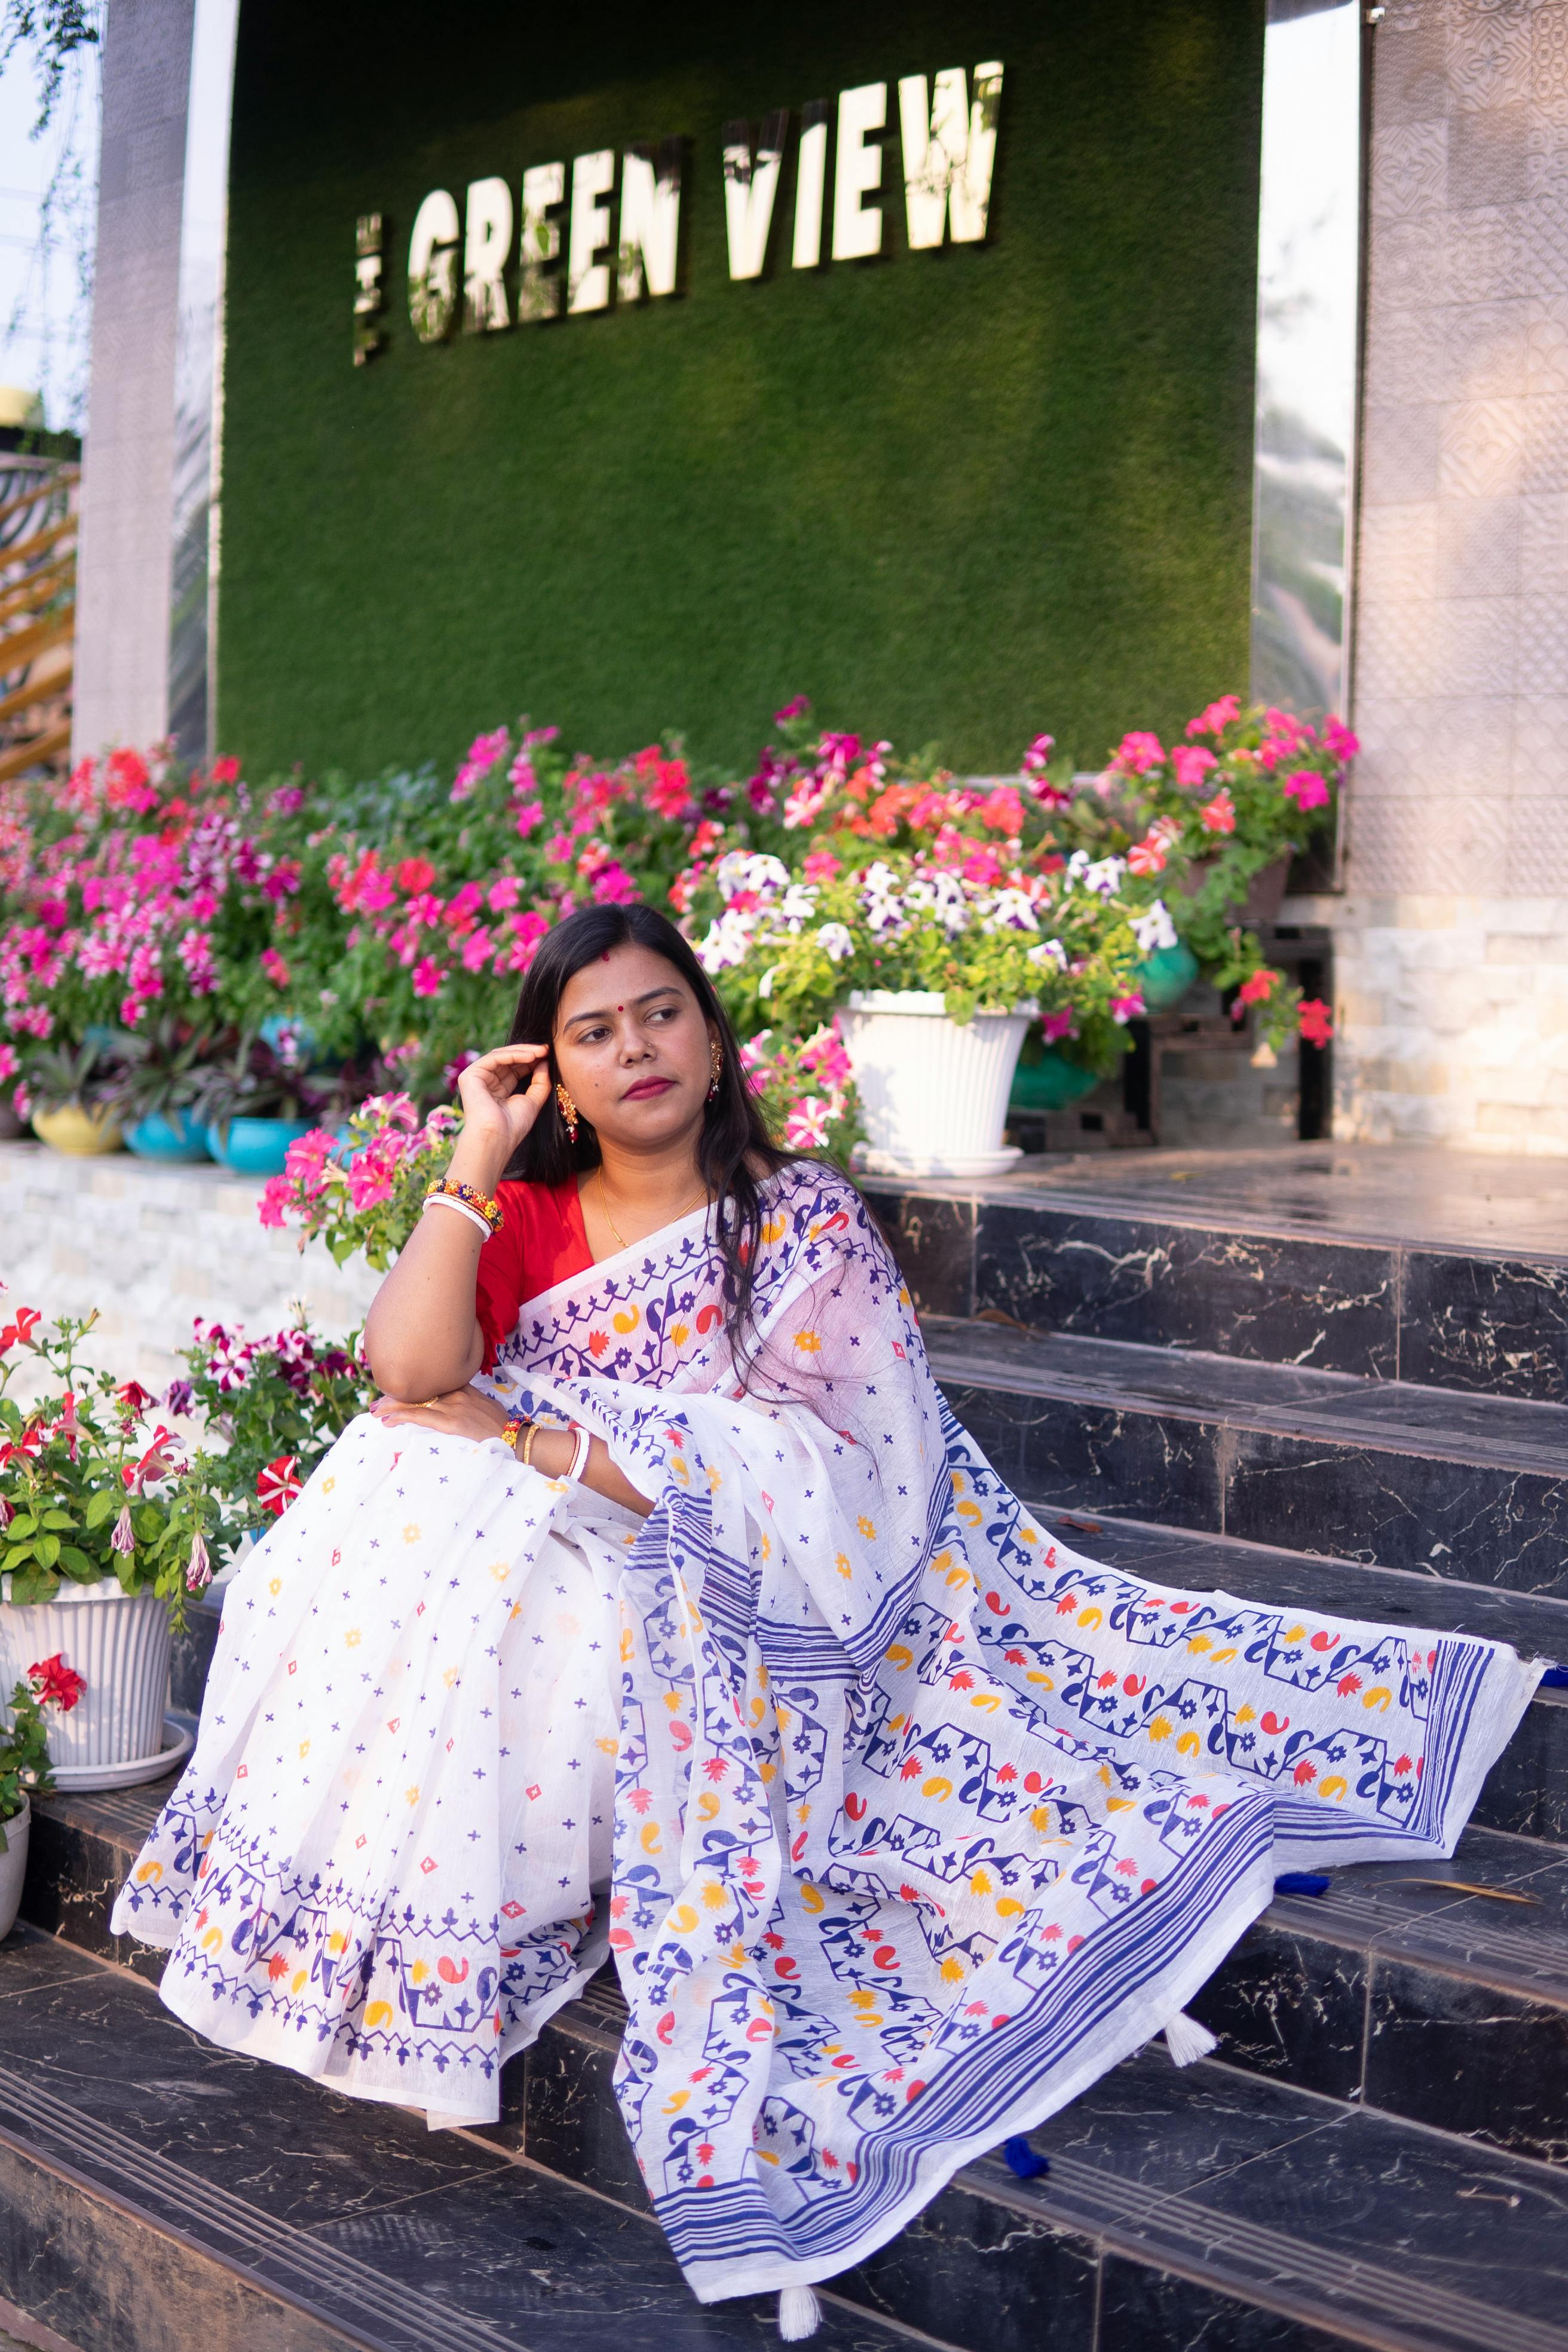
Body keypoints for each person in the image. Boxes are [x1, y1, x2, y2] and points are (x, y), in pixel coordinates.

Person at [114, 902, 1543, 2342]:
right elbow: (412, 1368)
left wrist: (557, 1448)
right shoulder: (529, 1213)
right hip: (560, 1561)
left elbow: (848, 1475)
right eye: (590, 1032)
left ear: (714, 1031)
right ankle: (390, 1917)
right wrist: (474, 1155)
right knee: (400, 1464)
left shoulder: (794, 1225)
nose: (635, 1050)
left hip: (738, 1595)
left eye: (659, 1012)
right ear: (548, 1067)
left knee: (474, 1505)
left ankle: (452, 1896)